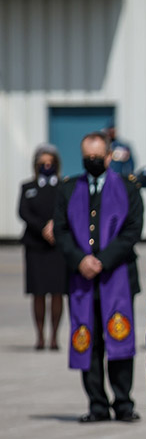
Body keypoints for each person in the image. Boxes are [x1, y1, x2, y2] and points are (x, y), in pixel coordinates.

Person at [53, 132, 143, 423]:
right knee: (87, 339)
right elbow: (61, 230)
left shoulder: (127, 188)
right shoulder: (68, 189)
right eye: (86, 157)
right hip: (82, 279)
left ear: (108, 157)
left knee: (119, 336)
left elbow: (132, 229)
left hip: (116, 276)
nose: (91, 161)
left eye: (96, 156)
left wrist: (102, 261)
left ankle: (123, 402)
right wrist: (81, 260)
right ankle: (97, 404)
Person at [19, 144, 67, 350]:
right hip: (35, 244)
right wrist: (42, 229)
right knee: (38, 292)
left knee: (57, 291)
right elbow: (23, 212)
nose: (47, 166)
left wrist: (55, 226)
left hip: (57, 246)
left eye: (50, 163)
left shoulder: (63, 187)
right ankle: (40, 335)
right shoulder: (28, 187)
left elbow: (68, 210)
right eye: (42, 164)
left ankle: (55, 336)